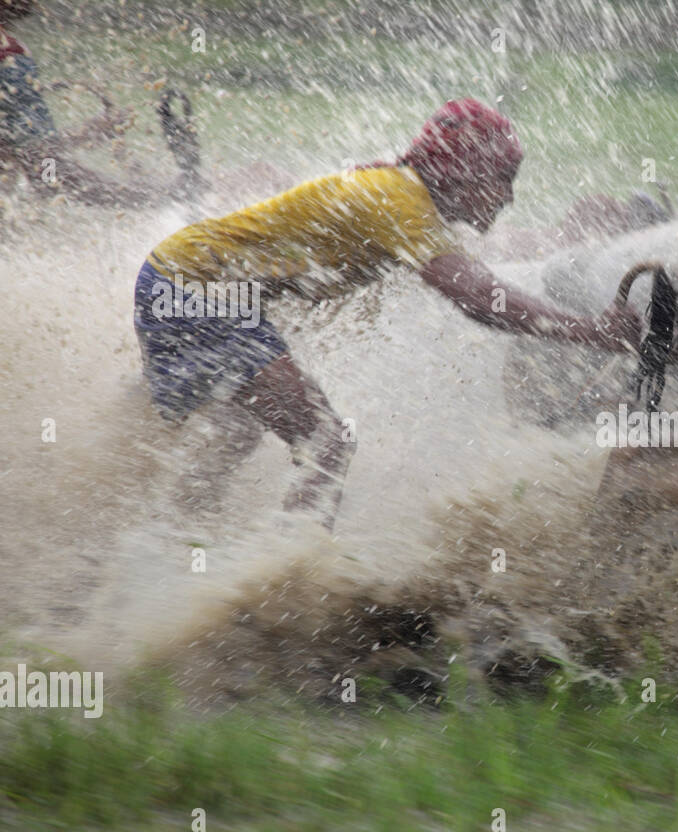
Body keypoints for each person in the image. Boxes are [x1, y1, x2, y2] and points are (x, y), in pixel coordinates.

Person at [132, 97, 642, 529]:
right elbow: (482, 299)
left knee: (236, 431)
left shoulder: (403, 194)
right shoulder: (401, 200)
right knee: (326, 442)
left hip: (183, 282)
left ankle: (173, 539)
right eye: (502, 178)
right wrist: (594, 332)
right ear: (461, 171)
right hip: (193, 289)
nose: (508, 197)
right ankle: (285, 584)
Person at [0, 0, 192, 206]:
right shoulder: (9, 61)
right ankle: (174, 195)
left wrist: (90, 132)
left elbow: (24, 153)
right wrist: (164, 196)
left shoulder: (11, 55)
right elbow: (46, 173)